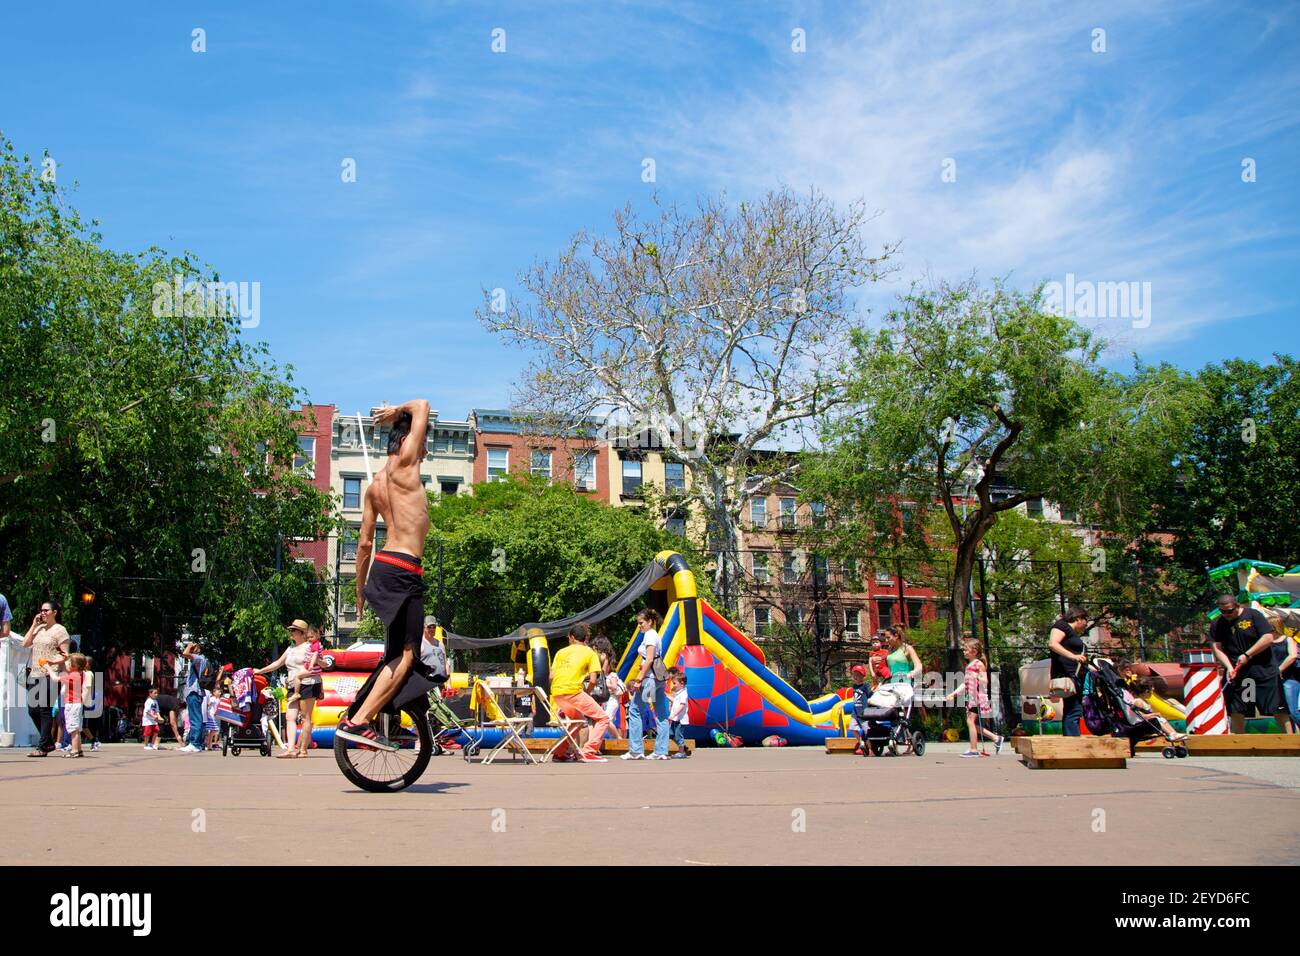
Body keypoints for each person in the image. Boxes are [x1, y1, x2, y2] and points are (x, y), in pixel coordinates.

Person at [337, 398, 431, 751]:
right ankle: (360, 720)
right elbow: (421, 403)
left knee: (394, 655)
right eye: (423, 442)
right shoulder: (407, 464)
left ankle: (379, 715)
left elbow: (363, 545)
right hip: (404, 570)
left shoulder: (373, 487)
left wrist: (359, 591)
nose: (424, 449)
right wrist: (400, 413)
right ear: (408, 441)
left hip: (382, 571)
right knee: (409, 655)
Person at [1210, 594, 1279, 734]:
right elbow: (1216, 648)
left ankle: (1289, 741)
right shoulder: (1217, 623)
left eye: (1230, 611)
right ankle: (1238, 743)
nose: (1226, 614)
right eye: (1222, 612)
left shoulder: (1253, 615)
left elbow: (1268, 637)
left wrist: (1248, 654)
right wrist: (1228, 666)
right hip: (1239, 674)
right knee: (1237, 709)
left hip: (1263, 671)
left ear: (1237, 605)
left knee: (1277, 707)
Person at [254, 619, 322, 758]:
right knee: (290, 717)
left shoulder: (311, 646)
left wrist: (319, 661)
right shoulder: (290, 649)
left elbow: (323, 663)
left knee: (305, 717)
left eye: (294, 630)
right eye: (290, 630)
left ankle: (303, 749)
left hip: (308, 683)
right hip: (292, 685)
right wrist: (259, 671)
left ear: (303, 633)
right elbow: (277, 663)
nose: (291, 632)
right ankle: (290, 749)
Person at [548, 623, 610, 763]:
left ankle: (560, 752)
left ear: (572, 637)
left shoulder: (560, 652)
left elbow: (551, 677)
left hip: (557, 692)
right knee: (603, 718)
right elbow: (594, 679)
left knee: (578, 721)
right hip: (573, 691)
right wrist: (586, 693)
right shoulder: (589, 653)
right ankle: (588, 751)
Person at [23, 600, 71, 756]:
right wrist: (33, 625)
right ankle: (49, 742)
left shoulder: (60, 630)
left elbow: (65, 655)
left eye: (46, 610)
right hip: (34, 673)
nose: (42, 613)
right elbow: (25, 643)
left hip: (50, 673)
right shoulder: (39, 629)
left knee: (44, 709)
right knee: (32, 710)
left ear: (54, 612)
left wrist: (51, 661)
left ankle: (43, 746)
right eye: (41, 610)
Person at [624, 608, 669, 761]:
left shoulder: (649, 635)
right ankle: (661, 750)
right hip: (658, 678)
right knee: (662, 714)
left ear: (649, 622)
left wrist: (638, 680)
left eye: (641, 623)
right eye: (638, 623)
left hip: (649, 678)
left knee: (636, 710)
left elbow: (649, 659)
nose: (639, 626)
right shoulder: (655, 635)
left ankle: (636, 750)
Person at [945, 639, 1003, 756]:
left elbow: (985, 681)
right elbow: (964, 684)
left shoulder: (978, 664)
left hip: (977, 697)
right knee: (971, 723)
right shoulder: (969, 665)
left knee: (970, 721)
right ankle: (996, 738)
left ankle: (974, 750)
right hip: (970, 698)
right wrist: (953, 694)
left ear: (974, 651)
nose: (964, 652)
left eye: (966, 649)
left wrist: (977, 676)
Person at [1047, 606, 1090, 737]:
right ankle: (1073, 742)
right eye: (1085, 619)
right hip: (1067, 675)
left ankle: (1072, 739)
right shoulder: (1062, 626)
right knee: (1073, 710)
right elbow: (1053, 644)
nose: (1086, 623)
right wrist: (1073, 656)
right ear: (1078, 618)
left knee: (1074, 709)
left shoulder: (1071, 632)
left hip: (1075, 676)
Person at [1264, 610, 1297, 734]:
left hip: (1288, 678)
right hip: (1273, 680)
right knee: (1278, 710)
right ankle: (1288, 737)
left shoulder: (1288, 640)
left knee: (1292, 711)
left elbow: (1292, 656)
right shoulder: (1267, 642)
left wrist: (1279, 669)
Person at [592, 636, 625, 738]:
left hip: (610, 699)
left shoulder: (611, 674)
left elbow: (603, 672)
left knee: (605, 719)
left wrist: (607, 685)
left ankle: (618, 738)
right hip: (606, 699)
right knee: (603, 720)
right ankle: (607, 739)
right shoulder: (607, 671)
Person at [180, 641, 209, 752]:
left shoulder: (198, 658)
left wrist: (189, 646)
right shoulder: (201, 659)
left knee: (195, 718)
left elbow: (184, 653)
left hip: (194, 691)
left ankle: (195, 743)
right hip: (196, 692)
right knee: (195, 717)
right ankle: (194, 742)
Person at [59, 653, 88, 758]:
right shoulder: (81, 673)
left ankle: (74, 750)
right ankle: (79, 750)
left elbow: (55, 678)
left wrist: (47, 667)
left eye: (70, 663)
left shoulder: (72, 675)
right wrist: (67, 657)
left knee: (73, 729)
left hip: (72, 704)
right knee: (77, 728)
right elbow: (68, 668)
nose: (67, 664)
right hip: (77, 703)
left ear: (74, 666)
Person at [287, 625, 324, 706]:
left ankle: (296, 693)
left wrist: (311, 665)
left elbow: (315, 655)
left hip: (311, 673)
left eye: (293, 630)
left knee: (297, 676)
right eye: (308, 637)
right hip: (310, 670)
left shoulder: (315, 645)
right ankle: (321, 691)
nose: (310, 639)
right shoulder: (293, 648)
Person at [847, 664, 872, 755]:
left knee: (867, 731)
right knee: (852, 728)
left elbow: (870, 695)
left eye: (858, 675)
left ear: (863, 676)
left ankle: (871, 749)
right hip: (855, 712)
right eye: (855, 675)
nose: (856, 677)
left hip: (864, 712)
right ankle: (861, 743)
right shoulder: (854, 687)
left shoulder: (865, 686)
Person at [666, 667, 689, 758]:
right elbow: (675, 701)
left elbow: (682, 705)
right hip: (676, 719)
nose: (673, 685)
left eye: (675, 683)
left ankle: (681, 752)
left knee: (678, 735)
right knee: (671, 734)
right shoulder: (679, 693)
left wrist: (673, 714)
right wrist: (666, 695)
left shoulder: (684, 694)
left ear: (682, 683)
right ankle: (682, 747)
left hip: (680, 719)